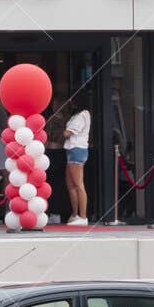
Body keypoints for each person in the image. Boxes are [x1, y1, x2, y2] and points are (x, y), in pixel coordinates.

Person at [62, 95, 91, 226]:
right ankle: (75, 214)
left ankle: (83, 216)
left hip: (77, 150)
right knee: (71, 185)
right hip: (72, 150)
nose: (70, 102)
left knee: (78, 184)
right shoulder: (78, 115)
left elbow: (68, 133)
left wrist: (63, 131)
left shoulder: (82, 115)